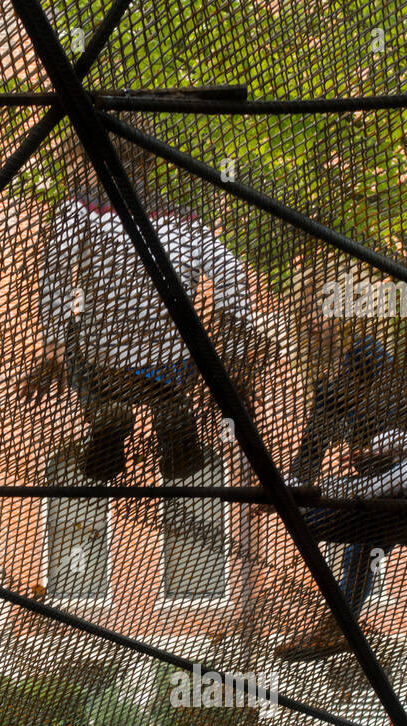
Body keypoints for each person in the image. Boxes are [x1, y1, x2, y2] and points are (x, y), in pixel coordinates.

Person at [19, 139, 265, 483]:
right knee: (190, 324)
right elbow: (232, 272)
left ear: (95, 162)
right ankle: (172, 409)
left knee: (71, 330)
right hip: (175, 364)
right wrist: (235, 353)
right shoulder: (186, 220)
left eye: (74, 164)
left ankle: (105, 409)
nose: (72, 175)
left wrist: (53, 347)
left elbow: (56, 278)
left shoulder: (78, 208)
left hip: (104, 362)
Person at [271, 335, 407, 661]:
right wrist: (283, 495)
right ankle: (336, 631)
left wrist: (369, 460)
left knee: (331, 534)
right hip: (389, 504)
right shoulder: (332, 403)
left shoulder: (392, 399)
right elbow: (308, 460)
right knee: (358, 555)